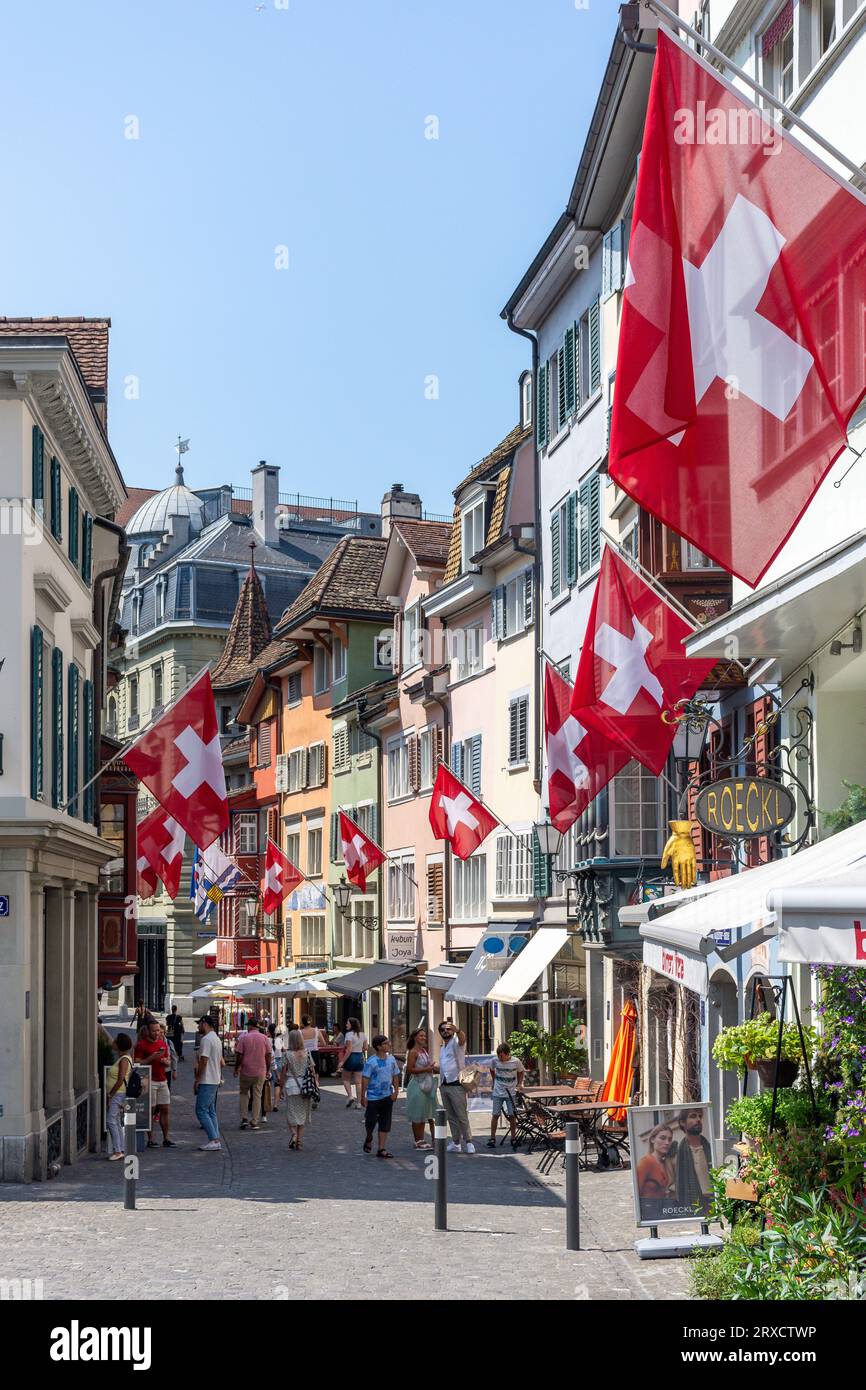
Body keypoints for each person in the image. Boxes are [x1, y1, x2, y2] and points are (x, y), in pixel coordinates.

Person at [134, 1020, 176, 1147]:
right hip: (149, 1080)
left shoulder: (162, 1043)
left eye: (158, 1030)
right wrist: (152, 1057)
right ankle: (151, 1139)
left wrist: (167, 1062)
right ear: (148, 1031)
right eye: (154, 1030)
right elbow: (137, 1064)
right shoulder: (141, 1045)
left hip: (162, 1080)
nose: (157, 1033)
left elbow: (168, 1060)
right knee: (150, 1111)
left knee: (165, 1109)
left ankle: (166, 1138)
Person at [437, 1019, 474, 1154]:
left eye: (448, 1029)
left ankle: (469, 1142)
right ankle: (456, 1142)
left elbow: (463, 1038)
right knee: (451, 1116)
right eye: (442, 1030)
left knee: (461, 1115)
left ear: (452, 1031)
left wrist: (458, 1030)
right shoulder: (442, 1047)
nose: (445, 1031)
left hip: (457, 1084)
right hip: (444, 1084)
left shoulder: (457, 1043)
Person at [361, 1035, 401, 1158]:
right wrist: (363, 1096)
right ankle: (369, 1136)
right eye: (385, 1043)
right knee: (370, 1121)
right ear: (378, 1047)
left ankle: (381, 1149)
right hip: (373, 1097)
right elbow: (365, 1079)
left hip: (387, 1096)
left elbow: (395, 1076)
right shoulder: (371, 1062)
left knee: (385, 1122)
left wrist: (396, 1091)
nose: (388, 1044)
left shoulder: (392, 1060)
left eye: (388, 1042)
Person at [234, 1018, 273, 1130]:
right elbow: (269, 1056)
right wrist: (268, 1069)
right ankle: (255, 1120)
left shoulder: (244, 1038)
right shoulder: (265, 1038)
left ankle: (244, 1118)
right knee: (257, 1096)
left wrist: (237, 1068)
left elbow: (239, 1055)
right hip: (260, 1071)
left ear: (250, 1026)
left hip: (246, 1071)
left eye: (248, 1026)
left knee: (244, 1094)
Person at [674, 1108, 714, 1214]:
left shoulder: (709, 1148)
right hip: (694, 1201)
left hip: (712, 1201)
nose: (698, 1120)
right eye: (693, 1116)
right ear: (683, 1122)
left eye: (700, 1116)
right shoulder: (680, 1151)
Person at [194, 1015, 224, 1151]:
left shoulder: (206, 1040)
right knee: (211, 1111)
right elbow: (220, 1062)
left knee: (201, 1110)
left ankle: (214, 1139)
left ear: (204, 1023)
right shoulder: (216, 1039)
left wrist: (197, 1079)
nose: (198, 1026)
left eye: (199, 1024)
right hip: (215, 1079)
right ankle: (215, 1137)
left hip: (207, 1080)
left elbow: (204, 1061)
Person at [405, 1028, 438, 1149]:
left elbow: (428, 1067)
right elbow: (409, 1070)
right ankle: (418, 1140)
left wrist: (434, 1068)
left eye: (424, 1036)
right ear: (415, 1037)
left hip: (427, 1085)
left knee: (424, 1113)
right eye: (421, 1036)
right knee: (417, 1114)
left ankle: (422, 1139)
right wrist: (427, 1069)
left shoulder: (424, 1050)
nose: (424, 1038)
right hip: (417, 1085)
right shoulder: (413, 1052)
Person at [487, 1042, 525, 1148]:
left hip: (511, 1092)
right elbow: (491, 1069)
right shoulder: (495, 1060)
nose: (500, 1058)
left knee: (512, 1115)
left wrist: (520, 1083)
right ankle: (492, 1138)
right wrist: (495, 1080)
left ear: (508, 1054)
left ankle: (513, 1138)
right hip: (498, 1092)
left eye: (502, 1056)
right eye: (499, 1056)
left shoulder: (516, 1061)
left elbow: (521, 1071)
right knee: (495, 1114)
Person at [283, 1028, 314, 1150]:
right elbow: (312, 1070)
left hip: (291, 1085)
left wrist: (280, 1085)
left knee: (291, 1113)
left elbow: (283, 1072)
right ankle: (299, 1141)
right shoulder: (307, 1053)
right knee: (303, 1114)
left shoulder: (287, 1054)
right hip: (306, 1086)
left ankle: (294, 1134)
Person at [105, 1032, 134, 1160]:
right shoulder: (122, 1058)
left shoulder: (124, 1059)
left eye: (115, 1041)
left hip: (118, 1093)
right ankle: (120, 1148)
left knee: (110, 1120)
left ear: (119, 1044)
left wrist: (111, 1094)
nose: (113, 1042)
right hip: (118, 1093)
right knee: (115, 1120)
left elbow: (121, 1078)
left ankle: (118, 1151)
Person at [636, 1123, 676, 1201]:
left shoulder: (666, 1163)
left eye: (670, 1139)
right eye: (662, 1138)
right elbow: (636, 1193)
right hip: (648, 1209)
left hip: (664, 1210)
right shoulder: (645, 1162)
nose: (667, 1142)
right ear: (652, 1139)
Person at [338, 1017, 367, 1109]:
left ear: (351, 1025)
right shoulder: (363, 1034)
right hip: (359, 1057)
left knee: (346, 1079)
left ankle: (350, 1096)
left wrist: (342, 1061)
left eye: (347, 1023)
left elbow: (349, 1049)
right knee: (358, 1082)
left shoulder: (349, 1035)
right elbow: (366, 1048)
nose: (346, 1024)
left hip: (351, 1057)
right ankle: (359, 1103)